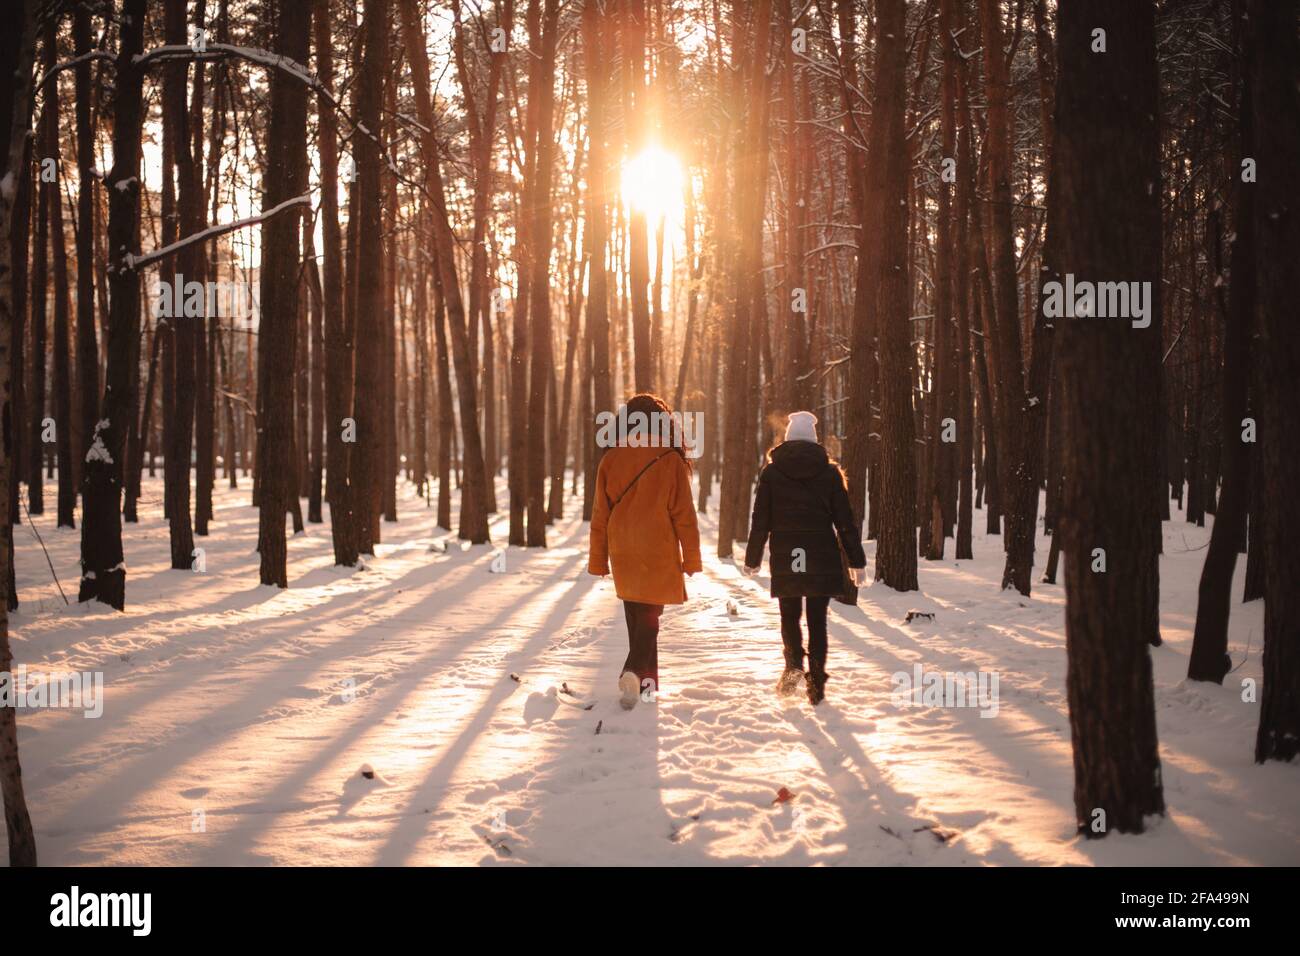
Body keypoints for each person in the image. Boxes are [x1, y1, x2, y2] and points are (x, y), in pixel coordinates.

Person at [742, 411, 867, 705]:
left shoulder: (772, 473)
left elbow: (760, 519)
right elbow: (844, 521)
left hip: (788, 554)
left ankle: (793, 666)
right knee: (817, 620)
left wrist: (753, 557)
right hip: (820, 554)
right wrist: (855, 560)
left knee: (789, 614)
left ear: (787, 439)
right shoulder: (830, 473)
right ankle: (817, 682)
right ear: (814, 440)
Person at [589, 394, 702, 709]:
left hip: (622, 548)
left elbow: (600, 515)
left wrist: (598, 560)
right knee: (650, 620)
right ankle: (632, 671)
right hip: (658, 549)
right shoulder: (670, 459)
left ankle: (646, 689)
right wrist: (691, 558)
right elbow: (684, 516)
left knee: (637, 618)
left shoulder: (611, 459)